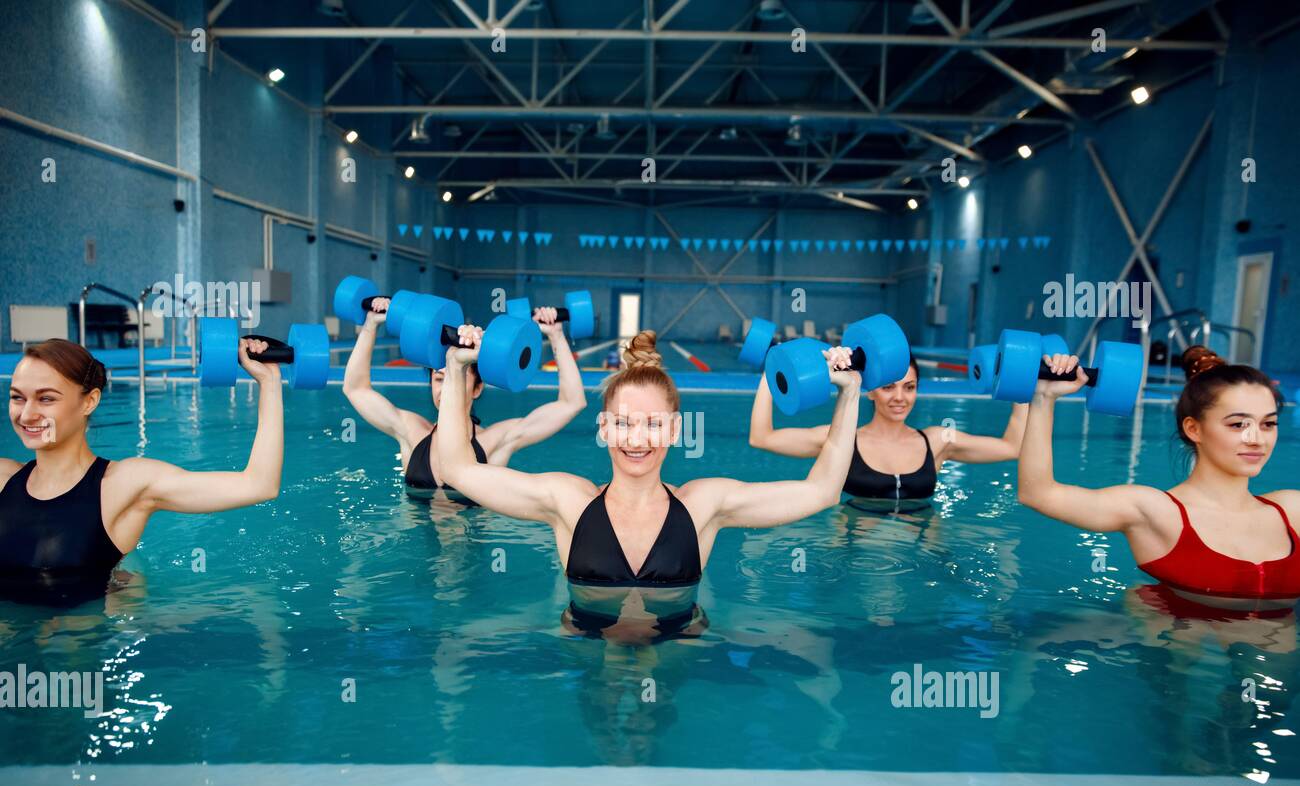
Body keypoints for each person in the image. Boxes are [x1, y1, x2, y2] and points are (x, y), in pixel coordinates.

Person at [436, 328, 861, 601]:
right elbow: (456, 469)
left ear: (675, 430)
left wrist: (850, 393)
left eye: (653, 424)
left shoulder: (704, 506)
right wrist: (456, 369)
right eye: (622, 424)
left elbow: (823, 492)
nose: (637, 439)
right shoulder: (566, 501)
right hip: (586, 655)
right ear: (603, 427)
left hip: (676, 658)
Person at [1018, 344, 1300, 615]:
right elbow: (1039, 493)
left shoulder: (1292, 511)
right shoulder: (1156, 512)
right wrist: (1044, 398)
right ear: (1194, 429)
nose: (1257, 440)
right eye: (1238, 424)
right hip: (1187, 649)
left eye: (1268, 424)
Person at [1, 338, 283, 606]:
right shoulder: (3, 478)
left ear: (89, 401)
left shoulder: (124, 486)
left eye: (46, 399)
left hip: (72, 646)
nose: (26, 415)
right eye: (17, 398)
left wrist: (269, 382)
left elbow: (259, 485)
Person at [342, 302, 586, 500]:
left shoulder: (494, 441)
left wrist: (556, 336)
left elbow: (571, 403)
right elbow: (355, 389)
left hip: (472, 551)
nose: (445, 387)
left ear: (477, 388)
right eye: (439, 379)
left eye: (455, 375)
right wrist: (370, 325)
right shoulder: (411, 431)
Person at [749, 356, 1028, 507]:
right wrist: (771, 368)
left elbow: (1012, 447)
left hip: (924, 553)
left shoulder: (938, 440)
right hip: (856, 552)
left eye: (909, 387)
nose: (899, 397)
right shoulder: (839, 440)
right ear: (870, 393)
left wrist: (1019, 380)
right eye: (888, 387)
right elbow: (762, 437)